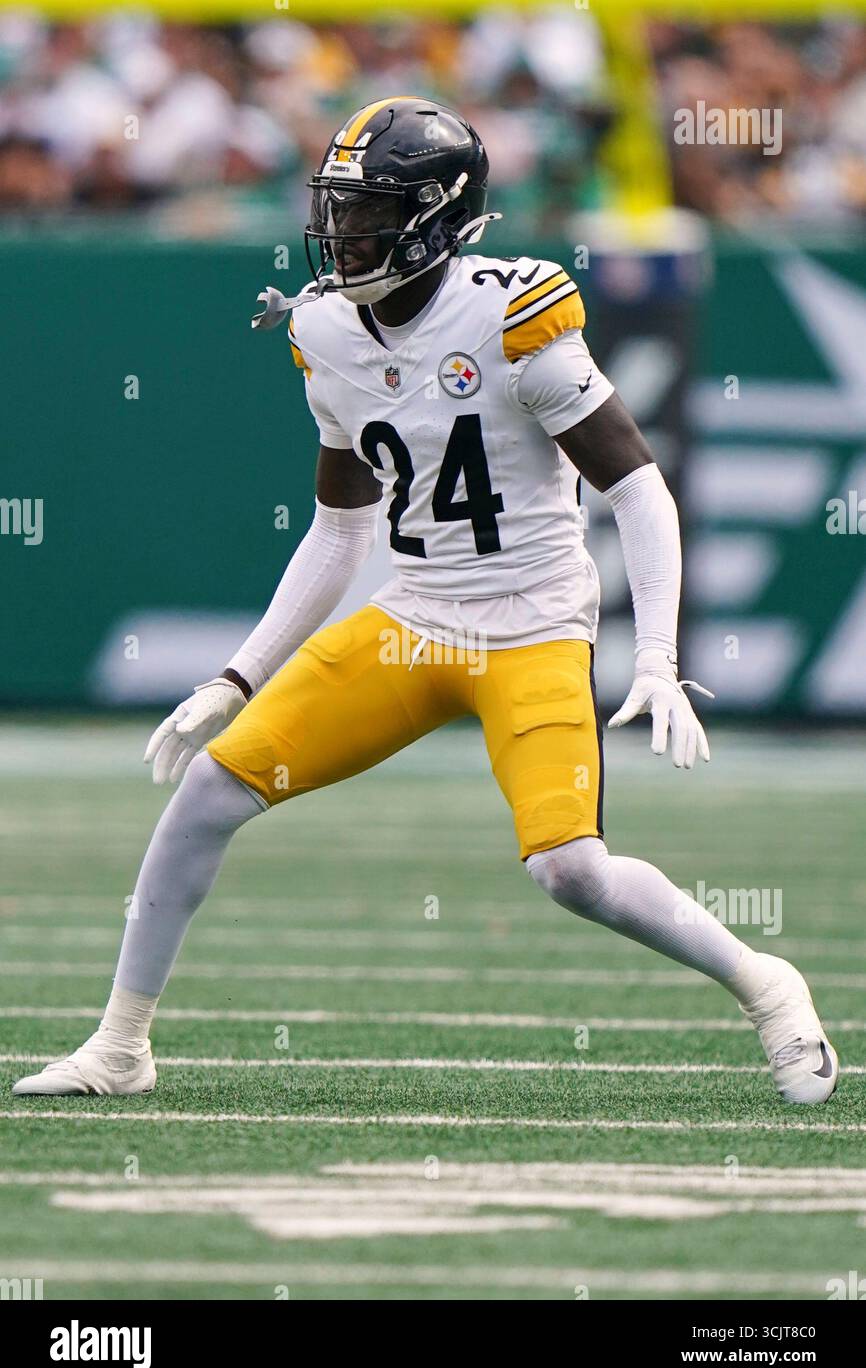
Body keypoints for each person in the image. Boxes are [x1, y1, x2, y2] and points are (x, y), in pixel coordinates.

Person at [13, 97, 838, 1104]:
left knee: (570, 870)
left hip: (532, 623)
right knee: (208, 794)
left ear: (436, 217)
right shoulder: (323, 327)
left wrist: (659, 658)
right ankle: (120, 1046)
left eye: (367, 214)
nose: (340, 234)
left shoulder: (512, 316)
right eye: (336, 211)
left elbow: (637, 489)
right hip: (415, 618)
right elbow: (340, 528)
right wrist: (238, 676)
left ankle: (764, 983)